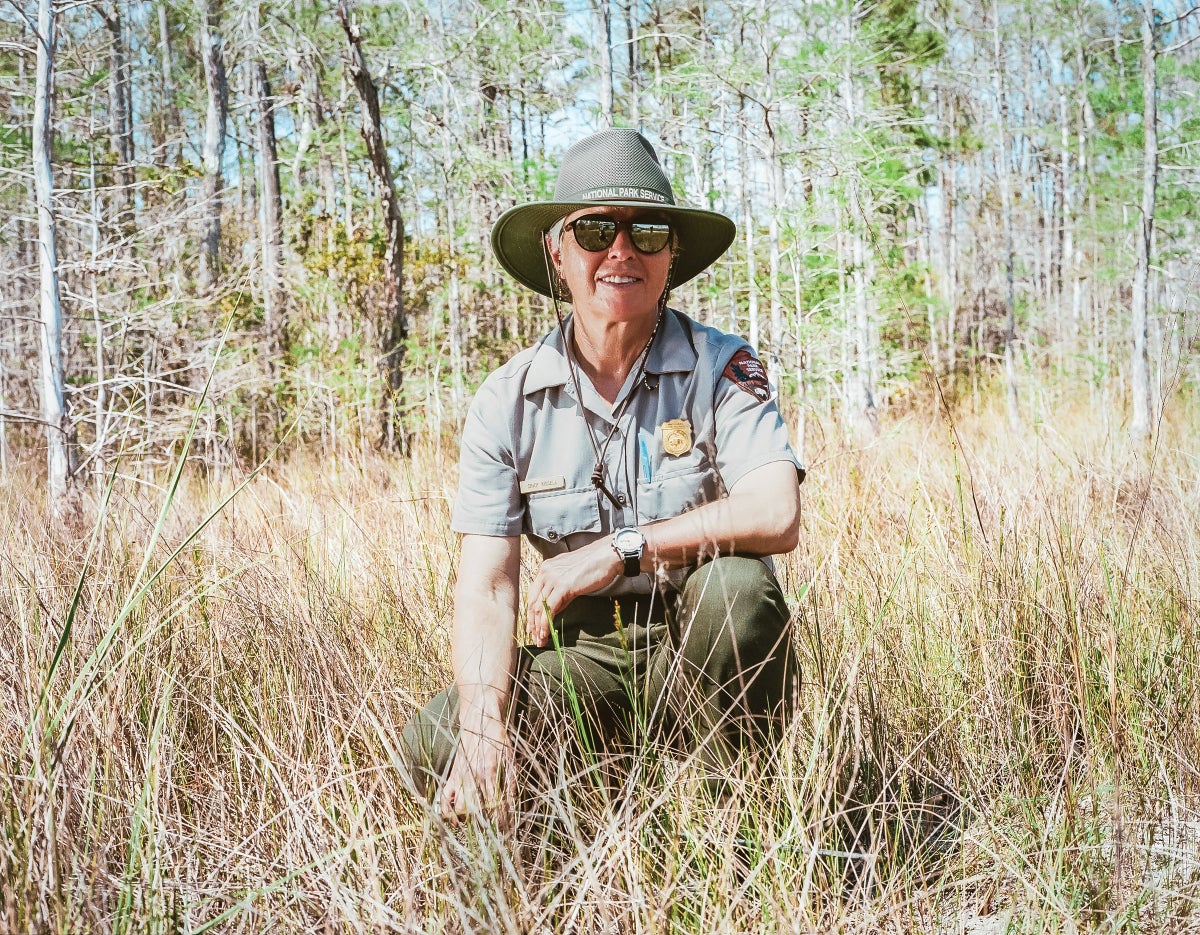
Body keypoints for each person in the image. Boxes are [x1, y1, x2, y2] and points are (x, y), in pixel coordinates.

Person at [401, 129, 804, 821]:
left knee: (735, 590)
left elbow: (775, 510)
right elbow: (490, 585)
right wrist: (482, 721)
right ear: (558, 252)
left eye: (646, 231)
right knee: (438, 739)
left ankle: (733, 820)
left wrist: (624, 547)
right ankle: (570, 843)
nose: (621, 250)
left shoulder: (721, 366)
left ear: (671, 254)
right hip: (582, 656)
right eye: (595, 229)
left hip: (694, 638)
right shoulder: (508, 398)